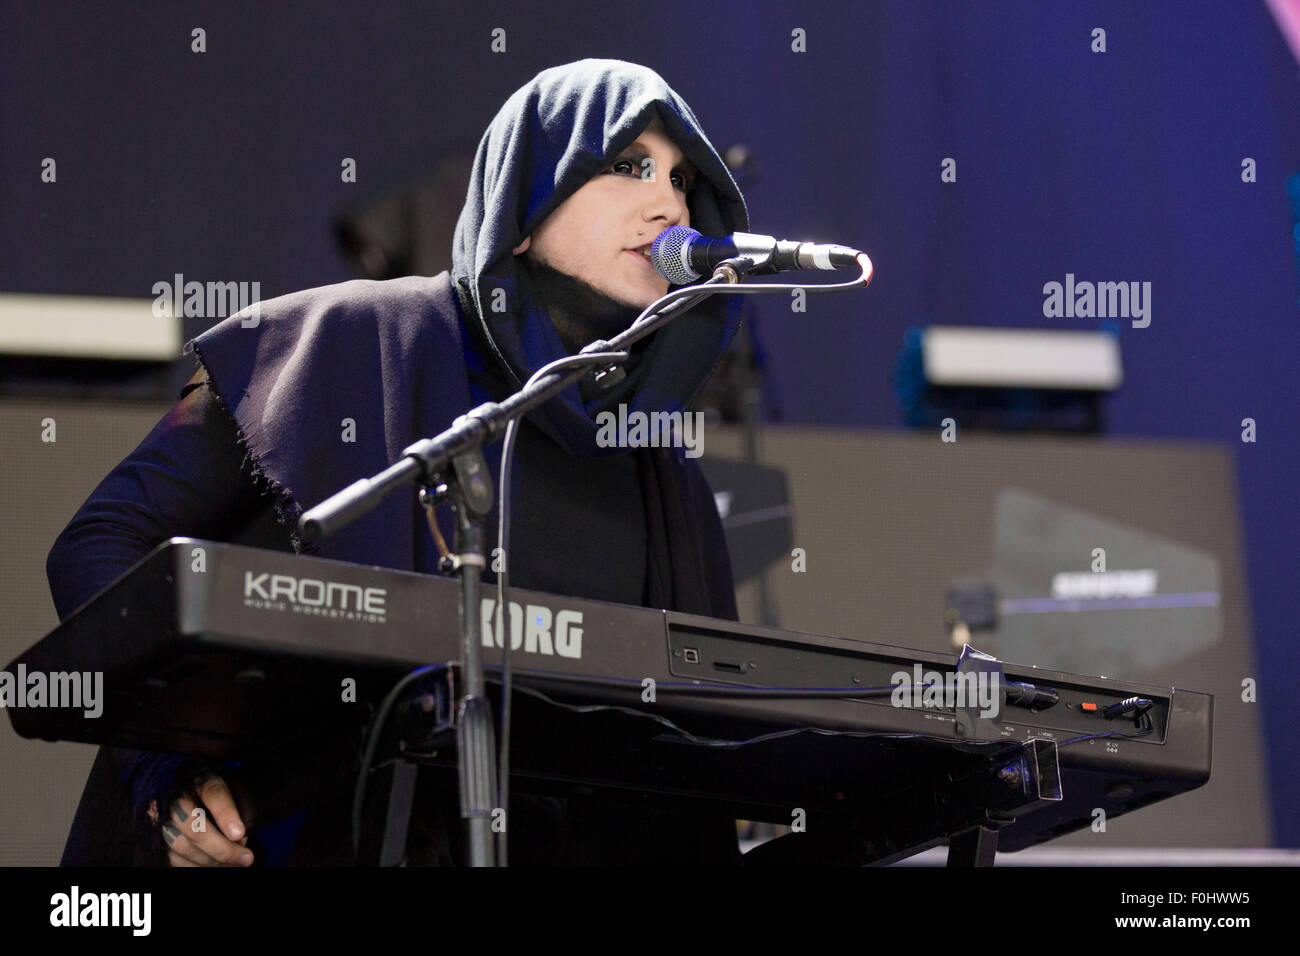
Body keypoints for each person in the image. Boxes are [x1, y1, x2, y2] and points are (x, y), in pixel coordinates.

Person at [47, 58, 750, 866]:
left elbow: (694, 766)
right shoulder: (339, 341)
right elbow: (100, 546)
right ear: (521, 207)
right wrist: (166, 772)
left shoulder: (663, 474)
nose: (669, 203)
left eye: (683, 177)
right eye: (629, 166)